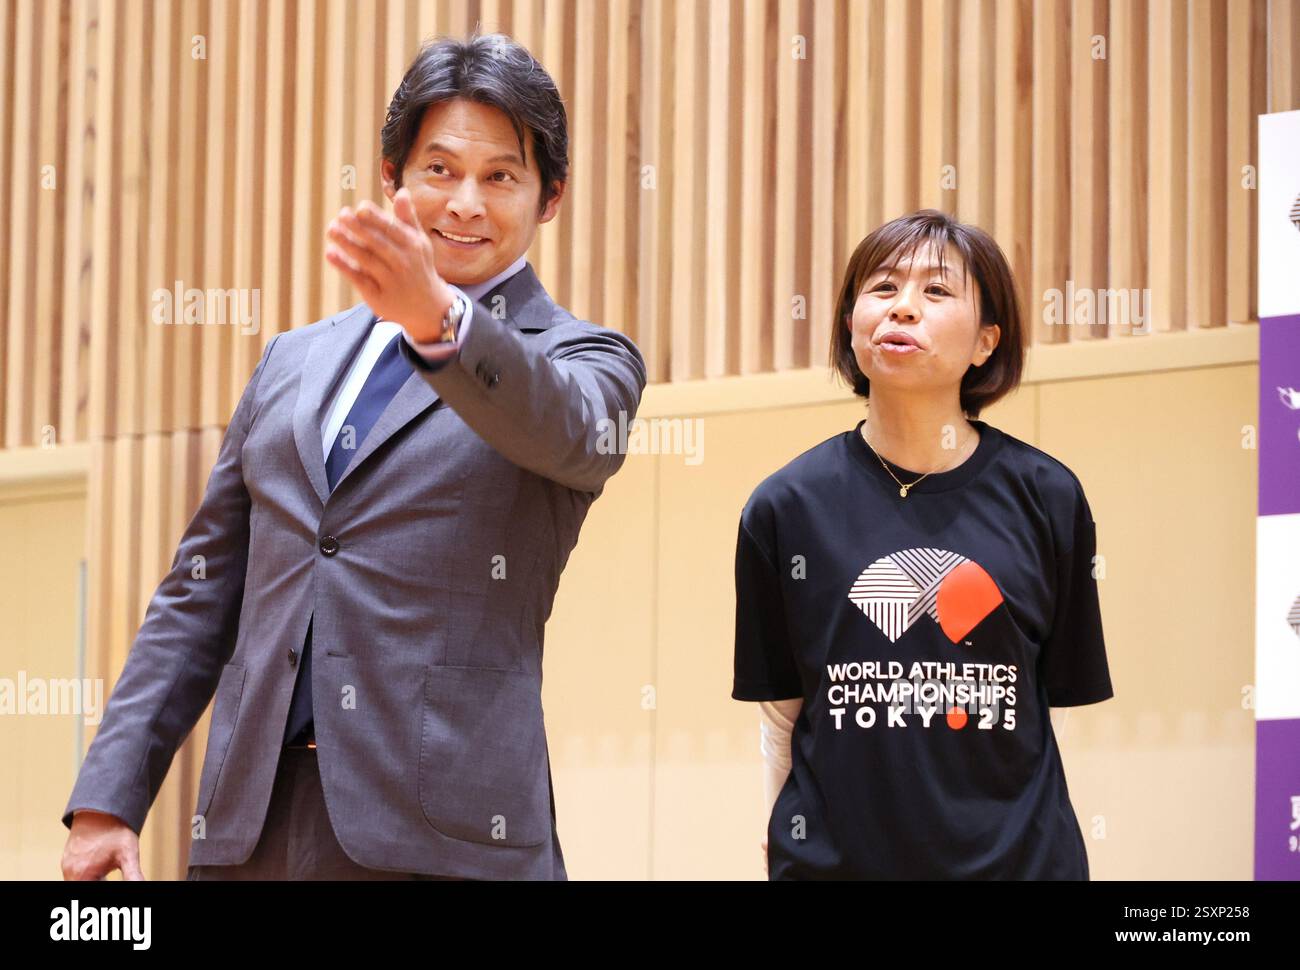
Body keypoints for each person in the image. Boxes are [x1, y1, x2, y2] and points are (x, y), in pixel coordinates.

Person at [60, 32, 646, 881]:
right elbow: (201, 589)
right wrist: (111, 796)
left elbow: (566, 429)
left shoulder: (585, 361)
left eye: (501, 177)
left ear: (549, 198)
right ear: (390, 178)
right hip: (247, 831)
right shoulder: (291, 361)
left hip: (444, 838)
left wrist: (439, 321)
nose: (465, 204)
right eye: (439, 170)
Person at [732, 209, 1113, 879]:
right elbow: (782, 719)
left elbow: (1053, 711)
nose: (903, 308)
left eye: (936, 292)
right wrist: (778, 834)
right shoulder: (784, 508)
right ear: (851, 324)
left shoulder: (1049, 498)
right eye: (881, 288)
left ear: (986, 343)